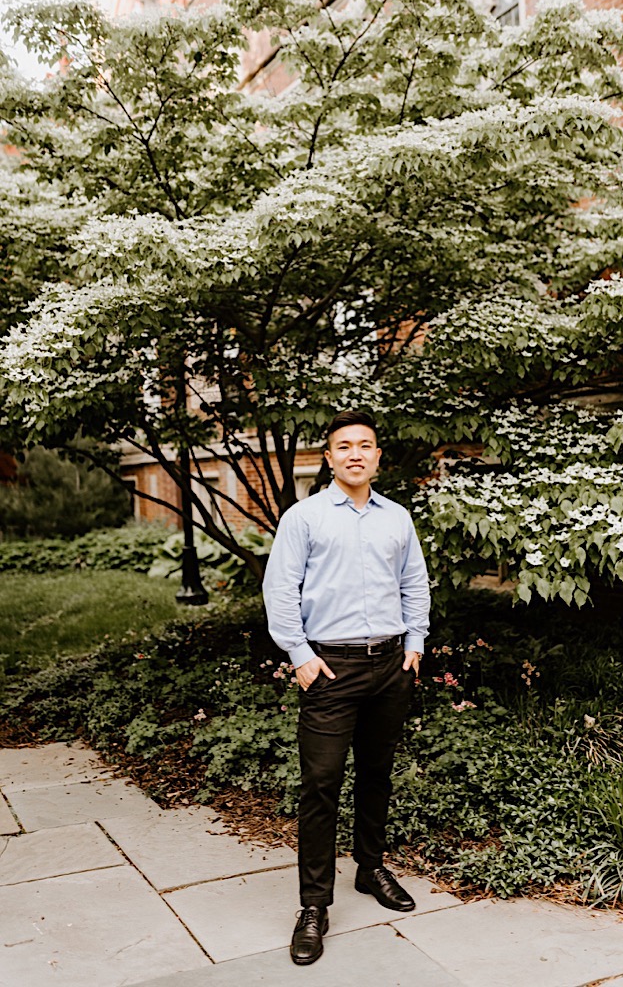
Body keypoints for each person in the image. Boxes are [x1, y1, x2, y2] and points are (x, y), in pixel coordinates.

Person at [263, 409, 430, 966]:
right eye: (344, 446)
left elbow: (414, 584)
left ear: (378, 456)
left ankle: (370, 867)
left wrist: (415, 642)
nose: (356, 453)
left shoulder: (397, 519)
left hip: (390, 667)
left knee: (377, 773)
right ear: (329, 457)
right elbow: (280, 590)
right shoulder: (304, 518)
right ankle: (314, 906)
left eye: (365, 445)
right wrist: (300, 656)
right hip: (329, 669)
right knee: (322, 783)